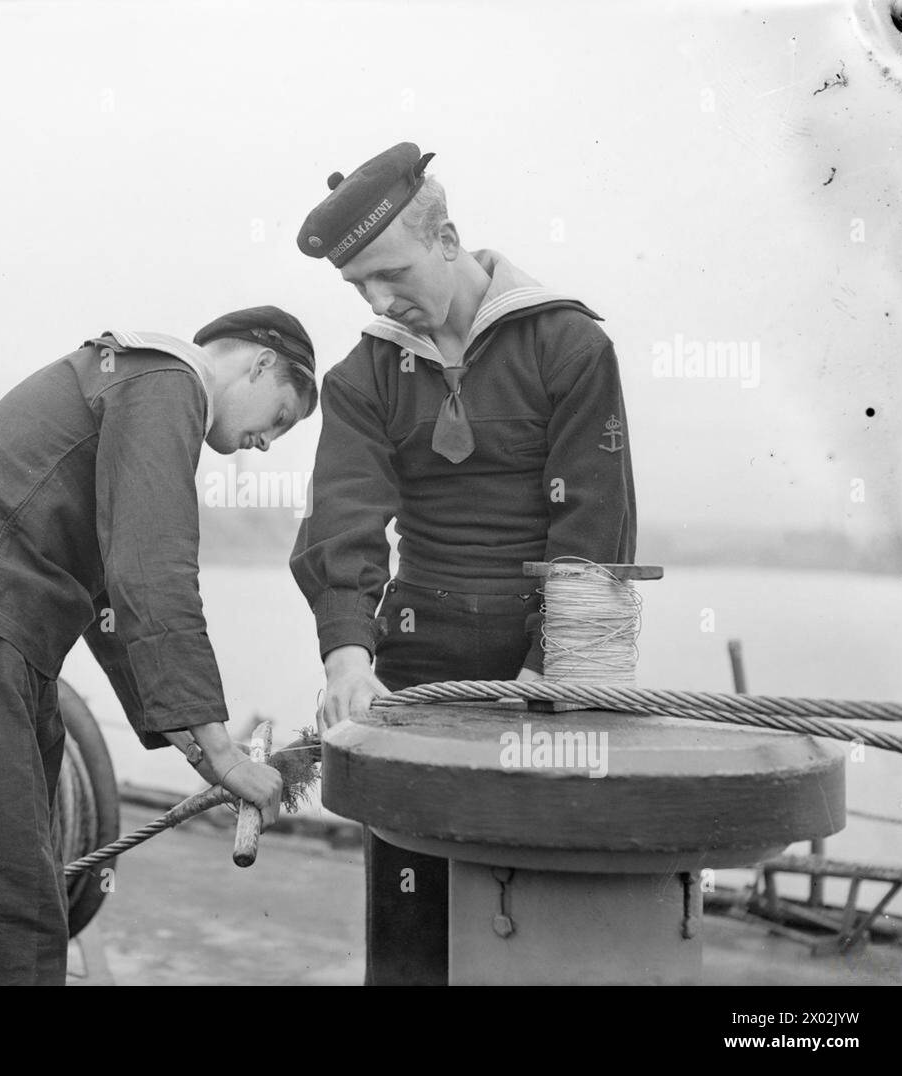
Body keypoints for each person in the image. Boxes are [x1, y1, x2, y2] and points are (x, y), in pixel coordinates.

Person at [0, 307, 318, 984]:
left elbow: (118, 600)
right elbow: (154, 573)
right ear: (260, 364)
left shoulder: (140, 381)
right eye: (282, 417)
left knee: (21, 885)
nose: (267, 444)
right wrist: (225, 752)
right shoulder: (168, 381)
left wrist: (196, 748)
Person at [289, 143, 636, 984]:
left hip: (551, 673)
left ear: (446, 238)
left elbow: (594, 527)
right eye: (359, 286)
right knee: (412, 923)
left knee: (542, 912)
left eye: (390, 274)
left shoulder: (569, 346)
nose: (379, 301)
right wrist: (347, 654)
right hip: (419, 670)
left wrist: (552, 675)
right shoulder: (364, 376)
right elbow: (345, 519)